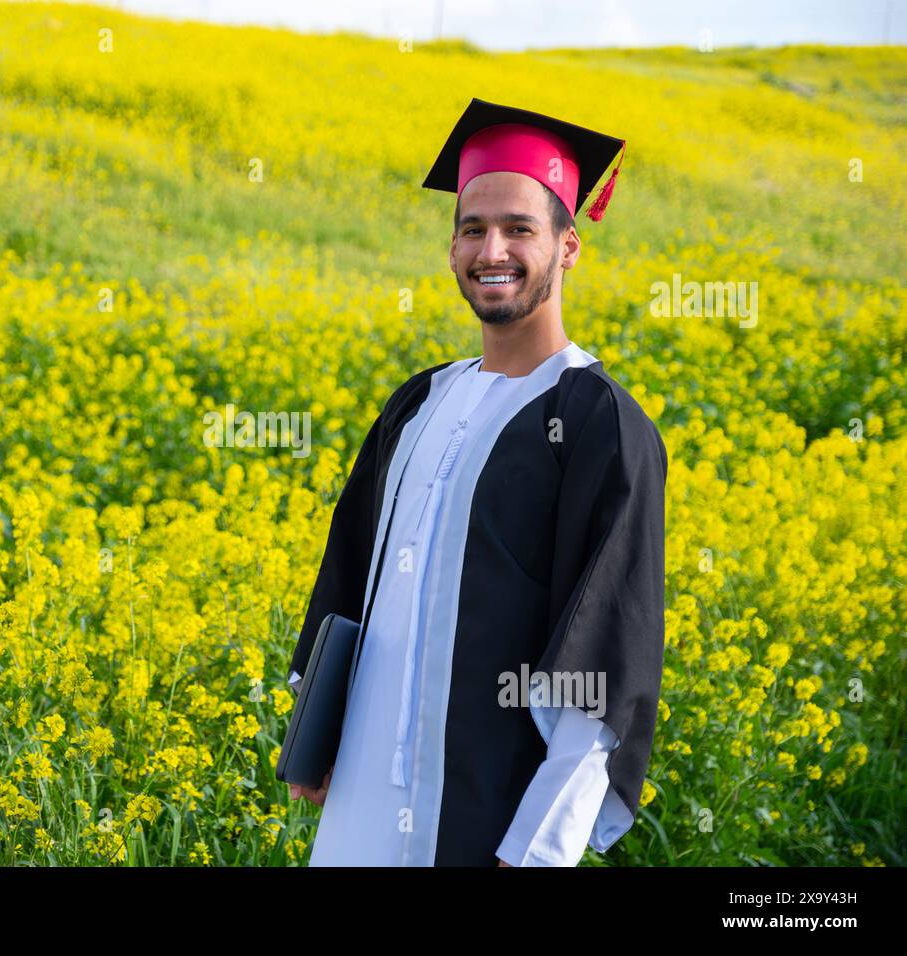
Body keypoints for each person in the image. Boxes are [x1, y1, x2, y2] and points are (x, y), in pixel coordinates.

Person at [285, 98, 667, 867]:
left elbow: (605, 659)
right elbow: (348, 574)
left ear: (568, 247)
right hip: (360, 794)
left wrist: (535, 851)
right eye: (472, 227)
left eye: (520, 228)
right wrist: (314, 731)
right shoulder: (418, 402)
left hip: (489, 813)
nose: (492, 248)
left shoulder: (601, 421)